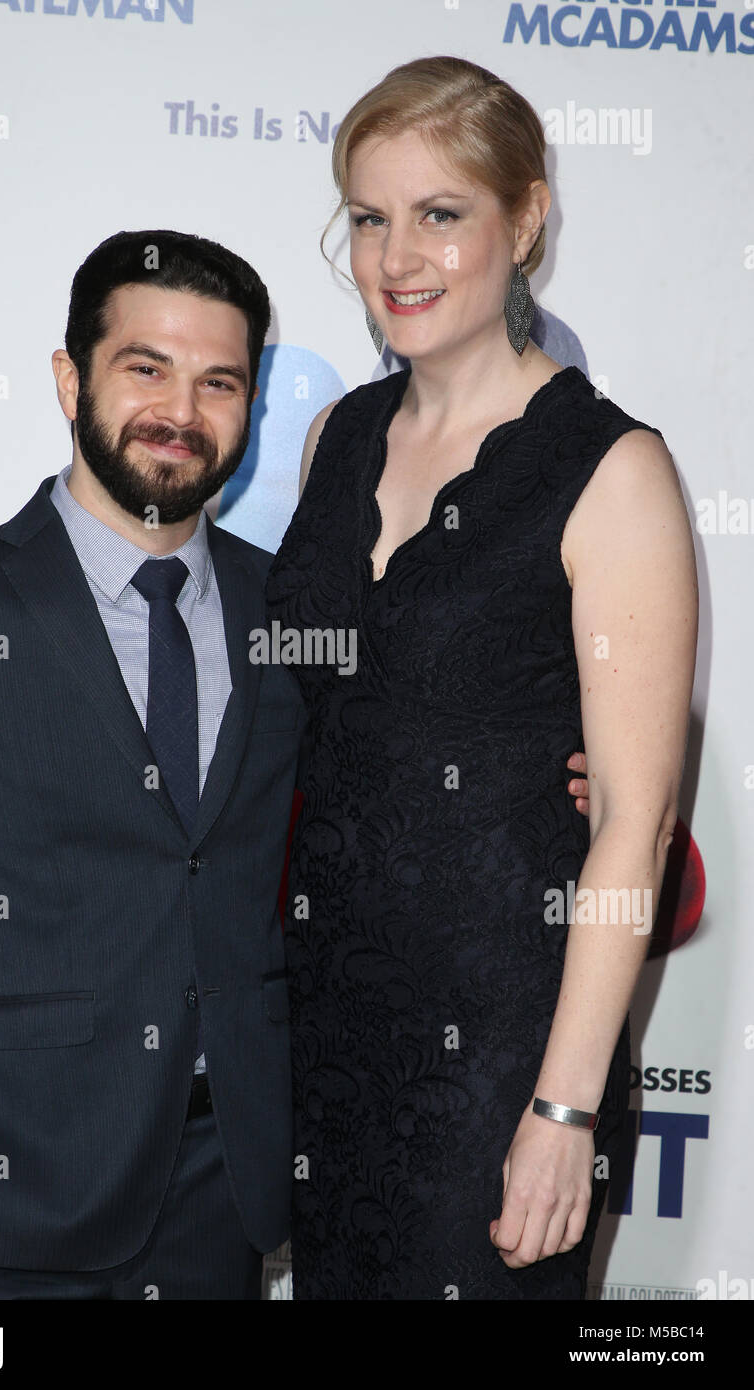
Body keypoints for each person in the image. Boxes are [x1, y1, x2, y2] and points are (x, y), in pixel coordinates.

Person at [264, 55, 697, 1300]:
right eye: (366, 217)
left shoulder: (609, 470)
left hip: (505, 1040)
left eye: (438, 213)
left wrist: (562, 1104)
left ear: (525, 219)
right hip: (332, 1026)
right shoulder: (332, 440)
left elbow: (629, 826)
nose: (395, 254)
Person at [0, 230, 308, 1300]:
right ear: (70, 379)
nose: (181, 413)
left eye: (219, 382)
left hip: (222, 1197)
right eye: (144, 368)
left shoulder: (287, 614)